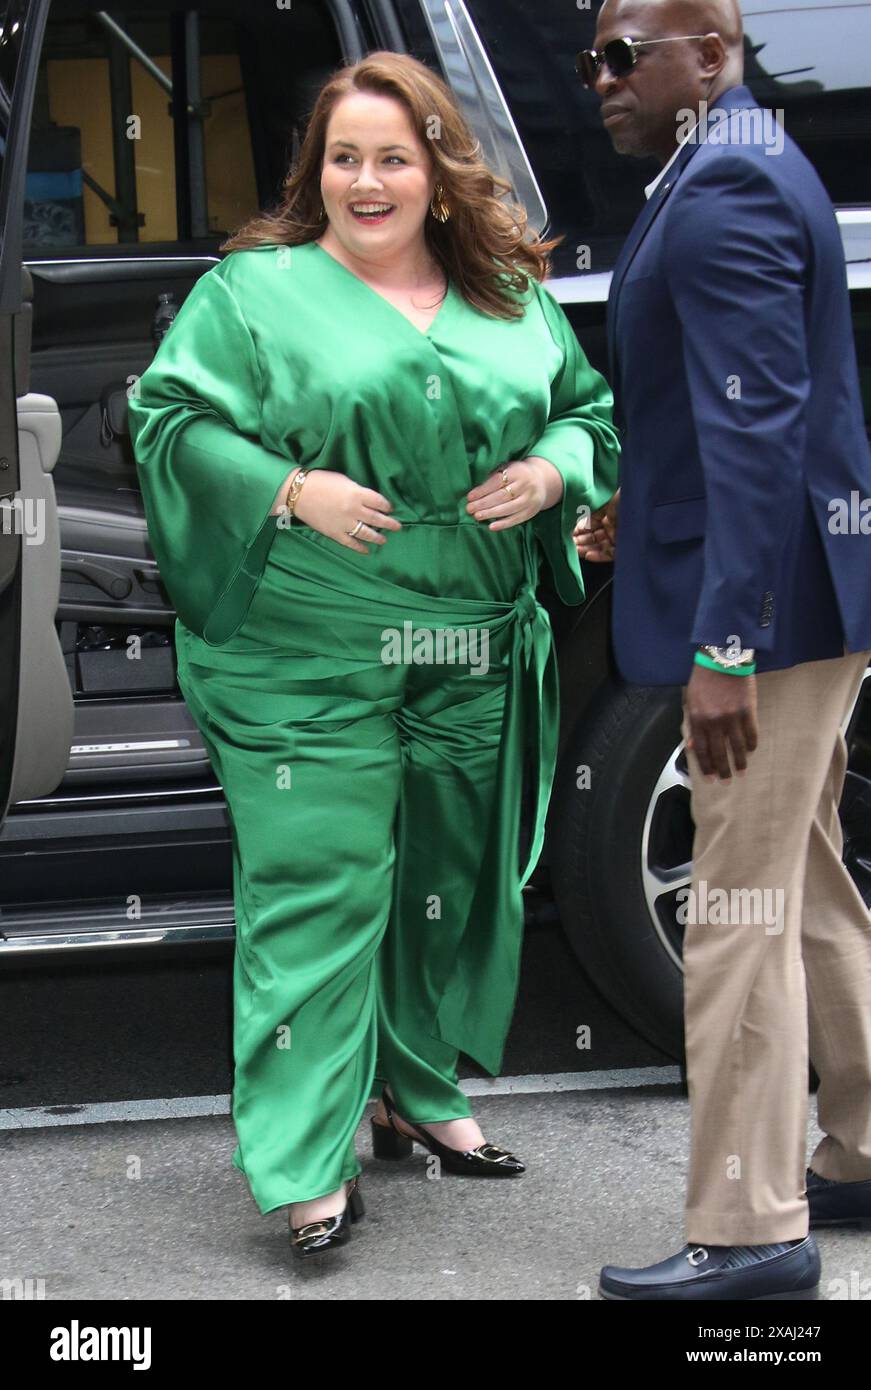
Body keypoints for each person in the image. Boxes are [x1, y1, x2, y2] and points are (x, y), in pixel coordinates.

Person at [128, 50, 619, 1260]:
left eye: (391, 157)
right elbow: (168, 418)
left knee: (447, 878)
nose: (365, 179)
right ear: (316, 172)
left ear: (440, 172)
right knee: (321, 884)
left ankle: (414, 1087)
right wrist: (291, 488)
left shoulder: (508, 290)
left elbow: (587, 405)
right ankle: (304, 1161)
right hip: (309, 647)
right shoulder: (253, 292)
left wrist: (555, 466)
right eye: (342, 157)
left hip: (469, 636)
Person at [576, 0, 871, 1300]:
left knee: (736, 910)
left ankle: (752, 1229)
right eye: (594, 55)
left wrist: (725, 649)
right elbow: (735, 406)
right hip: (810, 586)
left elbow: (760, 436)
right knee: (796, 882)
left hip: (772, 611)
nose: (597, 78)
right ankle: (860, 1144)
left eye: (618, 53)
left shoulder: (723, 183)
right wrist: (640, 503)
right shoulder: (734, 157)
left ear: (705, 54)